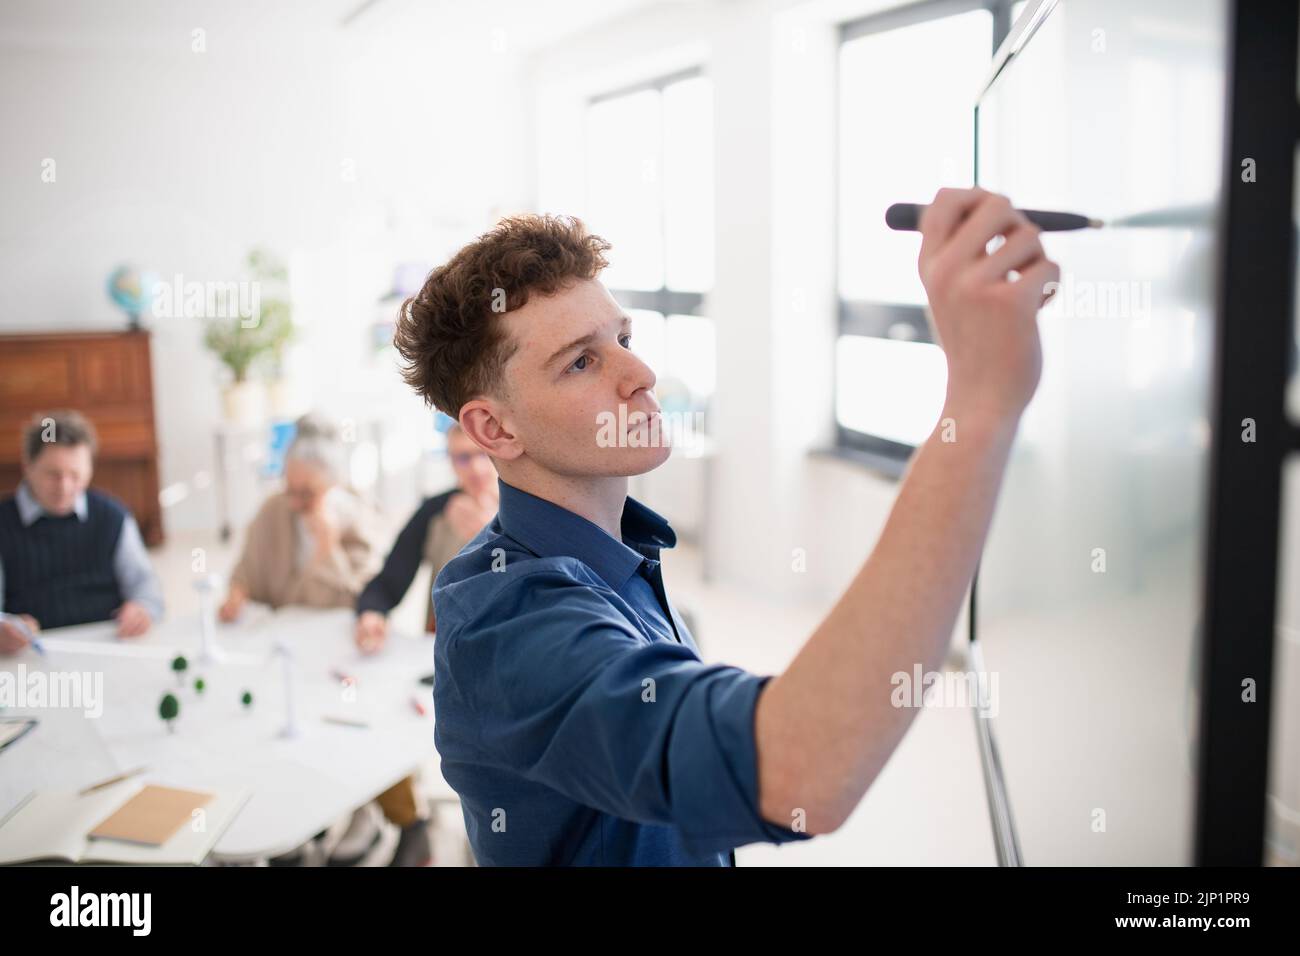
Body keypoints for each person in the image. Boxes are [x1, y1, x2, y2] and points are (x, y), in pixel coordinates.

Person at [391, 193, 1059, 865]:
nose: (642, 374)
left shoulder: (625, 555)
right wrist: (979, 400)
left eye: (623, 339)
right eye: (581, 362)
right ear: (494, 429)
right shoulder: (505, 625)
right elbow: (800, 771)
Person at [217, 414, 431, 866]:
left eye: (307, 493)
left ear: (333, 484)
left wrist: (327, 547)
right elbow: (247, 575)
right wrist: (236, 594)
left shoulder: (359, 515)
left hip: (339, 647)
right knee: (271, 719)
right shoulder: (273, 511)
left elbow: (370, 597)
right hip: (283, 644)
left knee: (359, 715)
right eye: (289, 487)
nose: (295, 501)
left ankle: (398, 817)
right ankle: (293, 822)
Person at [0, 410, 163, 654]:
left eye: (75, 475)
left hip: (109, 645)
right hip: (30, 655)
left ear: (90, 468)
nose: (65, 487)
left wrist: (142, 607)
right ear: (28, 466)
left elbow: (145, 586)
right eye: (53, 474)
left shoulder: (113, 516)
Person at [354, 421, 498, 651]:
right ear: (451, 462)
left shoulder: (522, 510)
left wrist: (491, 538)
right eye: (463, 458)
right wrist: (372, 613)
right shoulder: (435, 512)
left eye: (483, 454)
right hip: (448, 646)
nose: (476, 468)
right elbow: (390, 580)